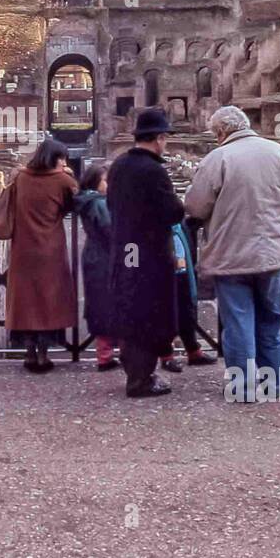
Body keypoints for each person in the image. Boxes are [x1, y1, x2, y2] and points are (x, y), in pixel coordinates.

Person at [184, 105, 280, 402]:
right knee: (270, 322)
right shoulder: (279, 152)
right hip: (272, 254)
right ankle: (273, 385)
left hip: (231, 255)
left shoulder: (218, 158)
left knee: (238, 323)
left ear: (221, 132)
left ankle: (243, 388)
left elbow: (195, 206)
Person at [108, 109, 185, 398]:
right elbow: (173, 211)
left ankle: (136, 372)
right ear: (159, 138)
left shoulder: (119, 165)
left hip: (126, 248)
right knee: (149, 310)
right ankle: (141, 379)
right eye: (165, 138)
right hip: (149, 251)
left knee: (130, 307)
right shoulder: (153, 169)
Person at [5, 137, 78, 372]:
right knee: (49, 300)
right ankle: (44, 356)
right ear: (56, 159)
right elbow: (73, 204)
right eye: (62, 158)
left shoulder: (21, 178)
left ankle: (29, 353)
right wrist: (70, 174)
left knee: (26, 300)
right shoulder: (63, 180)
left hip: (23, 248)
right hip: (50, 248)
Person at [72, 163, 118, 371]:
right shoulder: (99, 203)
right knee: (110, 303)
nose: (110, 184)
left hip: (93, 255)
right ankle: (107, 355)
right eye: (106, 180)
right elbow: (112, 231)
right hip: (105, 257)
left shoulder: (88, 200)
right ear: (95, 182)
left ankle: (104, 354)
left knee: (99, 304)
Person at [159, 220, 218, 372]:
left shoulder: (180, 225)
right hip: (164, 272)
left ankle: (193, 351)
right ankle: (166, 355)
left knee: (187, 311)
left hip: (182, 270)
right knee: (166, 313)